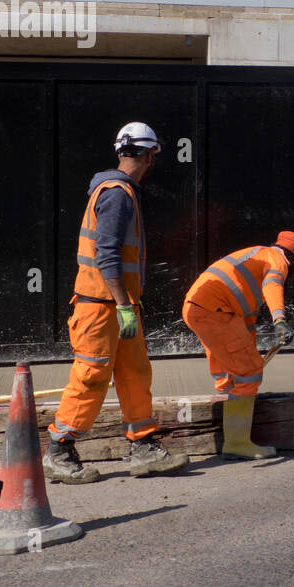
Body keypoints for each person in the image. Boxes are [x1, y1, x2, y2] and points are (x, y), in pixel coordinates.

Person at [44, 123, 189, 483]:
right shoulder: (117, 195)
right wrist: (124, 304)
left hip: (118, 307)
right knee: (91, 376)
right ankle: (59, 449)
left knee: (135, 373)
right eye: (155, 155)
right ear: (150, 154)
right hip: (100, 307)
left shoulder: (119, 191)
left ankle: (143, 446)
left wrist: (126, 306)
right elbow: (106, 255)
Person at [182, 233, 294, 458]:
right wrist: (279, 320)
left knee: (235, 373)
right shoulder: (276, 259)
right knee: (249, 374)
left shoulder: (255, 256)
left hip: (198, 309)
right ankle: (237, 443)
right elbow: (273, 284)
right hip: (215, 311)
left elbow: (245, 325)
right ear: (293, 259)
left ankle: (229, 404)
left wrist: (251, 354)